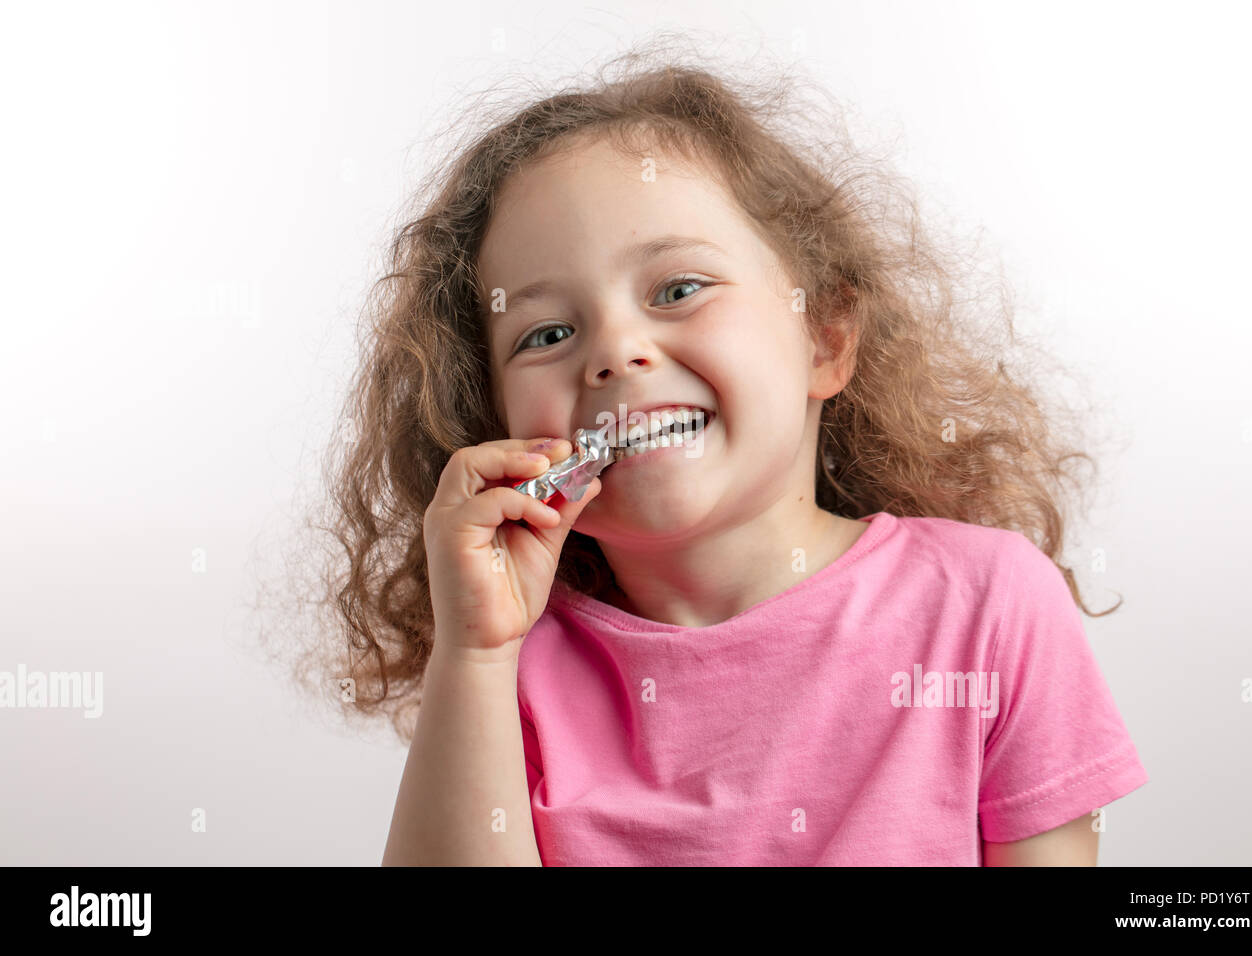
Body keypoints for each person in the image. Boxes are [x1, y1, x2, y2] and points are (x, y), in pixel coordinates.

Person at [314, 41, 1147, 865]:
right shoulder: (509, 663)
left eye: (678, 290)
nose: (615, 351)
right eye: (548, 332)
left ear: (824, 337)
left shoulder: (986, 607)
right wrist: (477, 653)